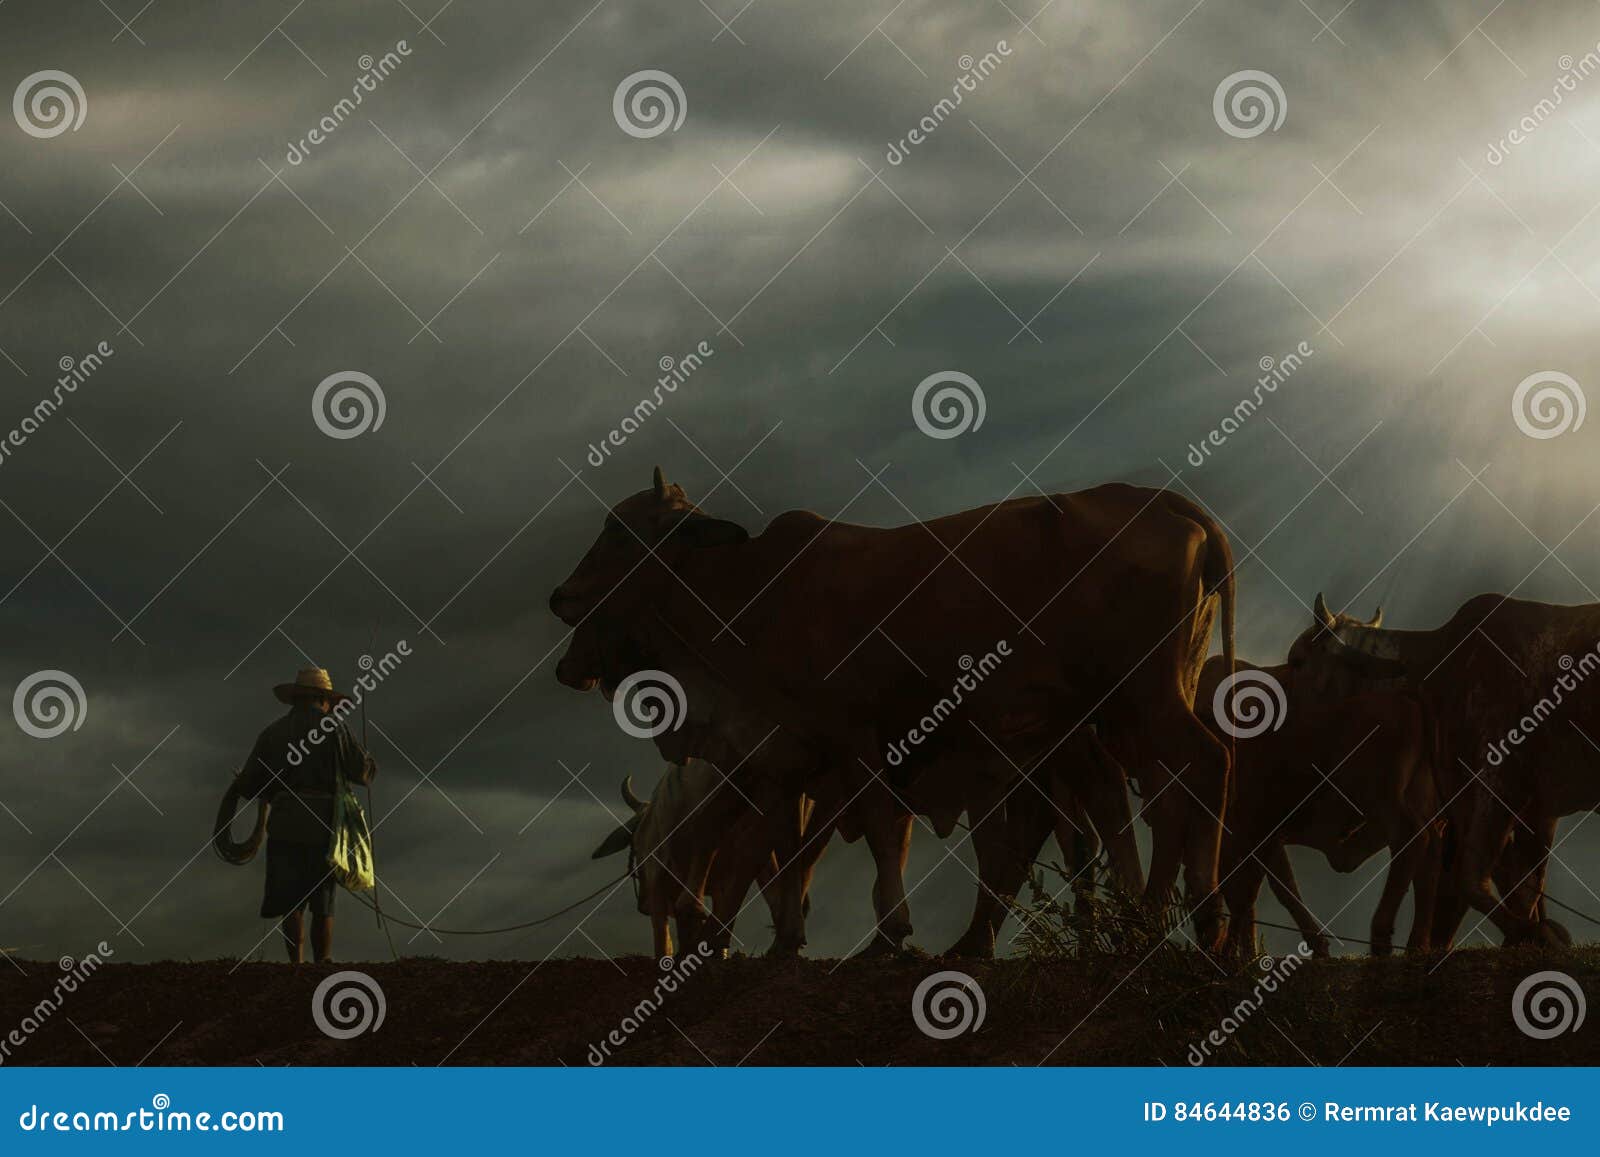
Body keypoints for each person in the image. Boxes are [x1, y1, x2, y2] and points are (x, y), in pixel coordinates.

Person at [233, 668, 377, 963]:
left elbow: (249, 784)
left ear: (296, 699)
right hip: (325, 827)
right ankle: (321, 963)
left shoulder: (272, 733)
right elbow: (362, 773)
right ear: (324, 700)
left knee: (291, 900)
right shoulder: (337, 729)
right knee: (323, 900)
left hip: (285, 823)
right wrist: (367, 762)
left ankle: (295, 965)